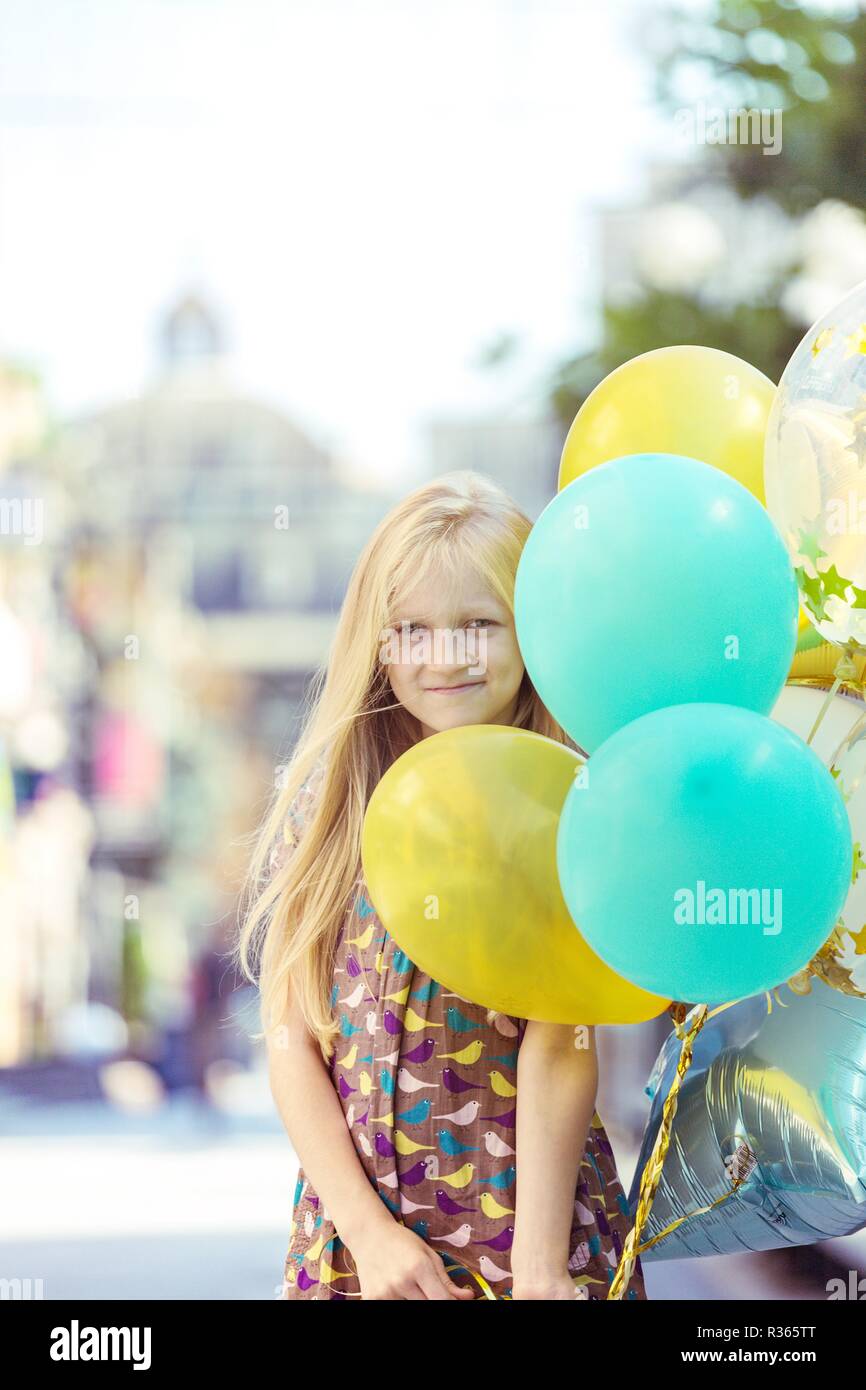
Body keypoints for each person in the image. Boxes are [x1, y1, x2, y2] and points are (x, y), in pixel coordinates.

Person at [236, 470, 648, 1302]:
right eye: (413, 630)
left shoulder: (557, 804)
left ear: (529, 631)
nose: (446, 656)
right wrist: (366, 1232)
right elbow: (291, 1040)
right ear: (378, 643)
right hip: (360, 1247)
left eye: (478, 625)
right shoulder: (330, 802)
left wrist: (536, 1266)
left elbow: (560, 1044)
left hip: (530, 1226)